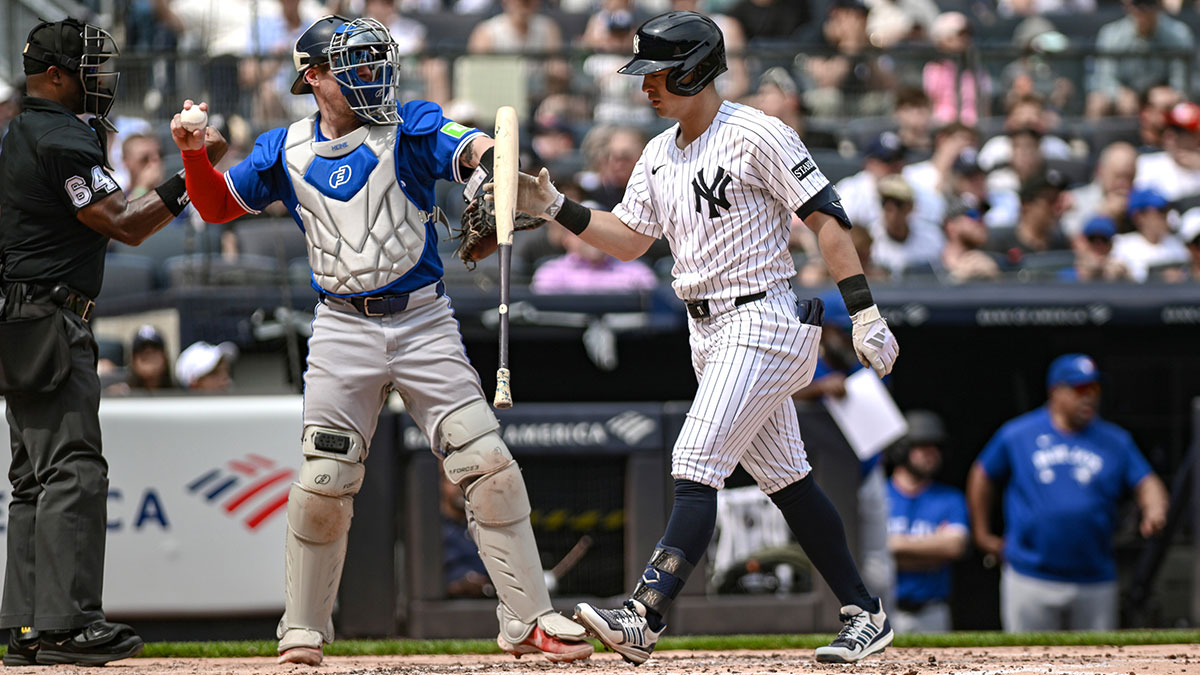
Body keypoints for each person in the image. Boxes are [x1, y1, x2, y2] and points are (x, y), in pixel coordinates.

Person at [169, 15, 592, 665]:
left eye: (377, 61)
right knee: (324, 477)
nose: (375, 75)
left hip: (423, 321)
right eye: (356, 65)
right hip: (342, 326)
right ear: (314, 77)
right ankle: (303, 626)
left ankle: (528, 617)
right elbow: (219, 207)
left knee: (486, 466)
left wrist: (487, 175)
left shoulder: (412, 124)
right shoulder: (284, 147)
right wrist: (194, 153)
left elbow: (470, 146)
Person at [484, 11, 899, 665]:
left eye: (657, 73)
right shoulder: (657, 153)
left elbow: (826, 216)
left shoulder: (758, 133)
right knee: (787, 478)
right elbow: (629, 241)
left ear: (696, 68)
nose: (646, 86)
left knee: (695, 460)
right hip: (706, 329)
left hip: (764, 318)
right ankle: (864, 611)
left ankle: (644, 613)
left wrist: (865, 311)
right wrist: (555, 206)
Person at [0, 17, 222, 666]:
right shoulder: (61, 136)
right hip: (48, 318)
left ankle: (26, 626)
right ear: (54, 76)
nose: (100, 81)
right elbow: (122, 223)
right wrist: (193, 172)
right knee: (73, 469)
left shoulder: (22, 129)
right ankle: (67, 623)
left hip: (20, 315)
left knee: (33, 478)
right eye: (87, 70)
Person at [967, 354, 1169, 631]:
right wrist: (982, 534)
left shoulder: (1115, 440)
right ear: (1055, 391)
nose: (1089, 397)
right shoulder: (1018, 433)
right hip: (1030, 574)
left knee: (1098, 666)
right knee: (1027, 665)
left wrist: (1154, 508)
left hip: (1094, 577)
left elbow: (1147, 482)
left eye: (1094, 389)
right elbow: (982, 474)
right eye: (1080, 389)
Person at [886, 410, 968, 634]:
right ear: (903, 449)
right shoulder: (877, 496)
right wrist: (929, 551)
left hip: (932, 611)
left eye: (936, 447)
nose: (931, 454)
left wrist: (895, 548)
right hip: (885, 609)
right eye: (922, 446)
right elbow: (863, 551)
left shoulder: (949, 498)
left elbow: (953, 547)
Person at [1087, 0, 1193, 119]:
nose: (1143, 9)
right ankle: (1085, 138)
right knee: (1097, 102)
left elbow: (1182, 83)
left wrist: (1169, 94)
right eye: (1137, 3)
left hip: (1161, 96)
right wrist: (1119, 93)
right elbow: (1104, 78)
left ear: (1159, 5)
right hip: (1125, 96)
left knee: (1171, 105)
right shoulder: (1111, 34)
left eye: (1149, 3)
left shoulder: (1178, 34)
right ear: (1128, 5)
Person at [1112, 187, 1188, 281]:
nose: (1166, 216)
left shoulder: (1178, 244)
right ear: (1139, 217)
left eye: (1167, 210)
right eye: (1161, 210)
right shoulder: (1121, 246)